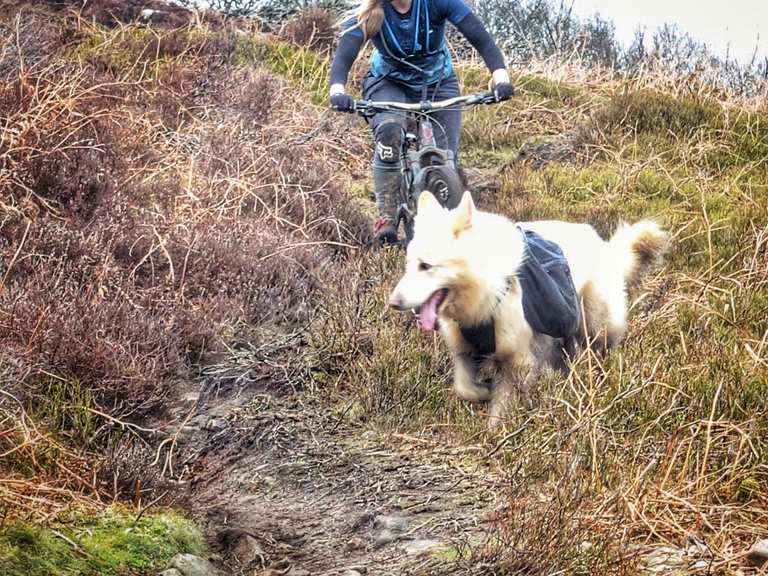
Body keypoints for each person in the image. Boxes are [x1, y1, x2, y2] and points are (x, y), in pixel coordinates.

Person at [328, 0, 513, 245]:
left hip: (438, 81)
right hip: (388, 82)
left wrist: (500, 78)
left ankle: (451, 226)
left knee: (447, 155)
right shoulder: (373, 12)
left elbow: (480, 38)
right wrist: (337, 90)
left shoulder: (437, 3)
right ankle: (387, 215)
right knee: (390, 130)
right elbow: (346, 51)